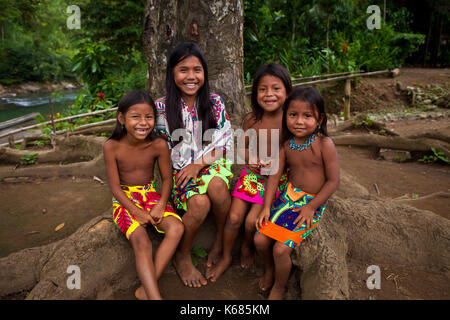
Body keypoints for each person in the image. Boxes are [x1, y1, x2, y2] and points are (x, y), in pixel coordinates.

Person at [155, 42, 233, 288]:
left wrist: (198, 164)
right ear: (172, 74)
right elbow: (160, 151)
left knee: (219, 187)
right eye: (183, 70)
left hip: (212, 163)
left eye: (197, 70)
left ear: (205, 73)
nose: (191, 76)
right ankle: (182, 254)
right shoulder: (160, 108)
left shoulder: (215, 102)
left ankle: (221, 239)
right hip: (180, 171)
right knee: (199, 204)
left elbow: (225, 144)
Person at [206, 63, 292, 282]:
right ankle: (226, 256)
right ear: (255, 93)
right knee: (234, 218)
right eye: (262, 89)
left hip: (276, 180)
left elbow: (294, 156)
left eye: (276, 88)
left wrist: (276, 163)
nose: (269, 94)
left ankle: (246, 245)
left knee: (250, 221)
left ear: (287, 91)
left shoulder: (291, 122)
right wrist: (250, 159)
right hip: (251, 176)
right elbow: (240, 148)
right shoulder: (251, 120)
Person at [254, 86, 340, 299]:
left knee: (281, 249)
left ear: (319, 120)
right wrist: (266, 207)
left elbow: (333, 181)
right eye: (293, 115)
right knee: (259, 240)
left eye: (307, 116)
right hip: (287, 197)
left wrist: (311, 206)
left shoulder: (324, 144)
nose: (299, 121)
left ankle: (280, 286)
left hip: (311, 202)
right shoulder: (286, 145)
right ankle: (271, 270)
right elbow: (274, 176)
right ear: (286, 117)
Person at [103, 90, 184, 300]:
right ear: (121, 118)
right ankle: (154, 297)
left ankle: (145, 289)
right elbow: (115, 188)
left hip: (151, 196)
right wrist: (135, 211)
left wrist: (160, 205)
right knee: (142, 241)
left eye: (149, 117)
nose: (143, 123)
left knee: (176, 228)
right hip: (125, 200)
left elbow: (167, 179)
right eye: (135, 116)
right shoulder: (111, 147)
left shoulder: (158, 145)